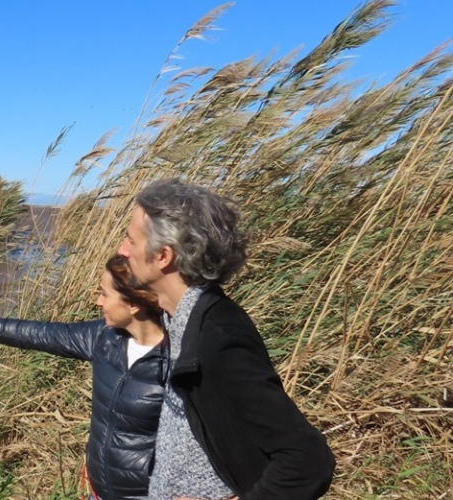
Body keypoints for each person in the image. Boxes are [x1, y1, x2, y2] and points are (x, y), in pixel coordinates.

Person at [117, 178, 335, 500]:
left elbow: (308, 460)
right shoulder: (179, 318)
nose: (122, 250)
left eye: (131, 240)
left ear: (163, 256)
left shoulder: (218, 337)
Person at [0, 254, 167, 500]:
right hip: (99, 489)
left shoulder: (180, 361)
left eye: (105, 294)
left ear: (133, 303)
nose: (98, 301)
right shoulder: (105, 338)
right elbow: (42, 334)